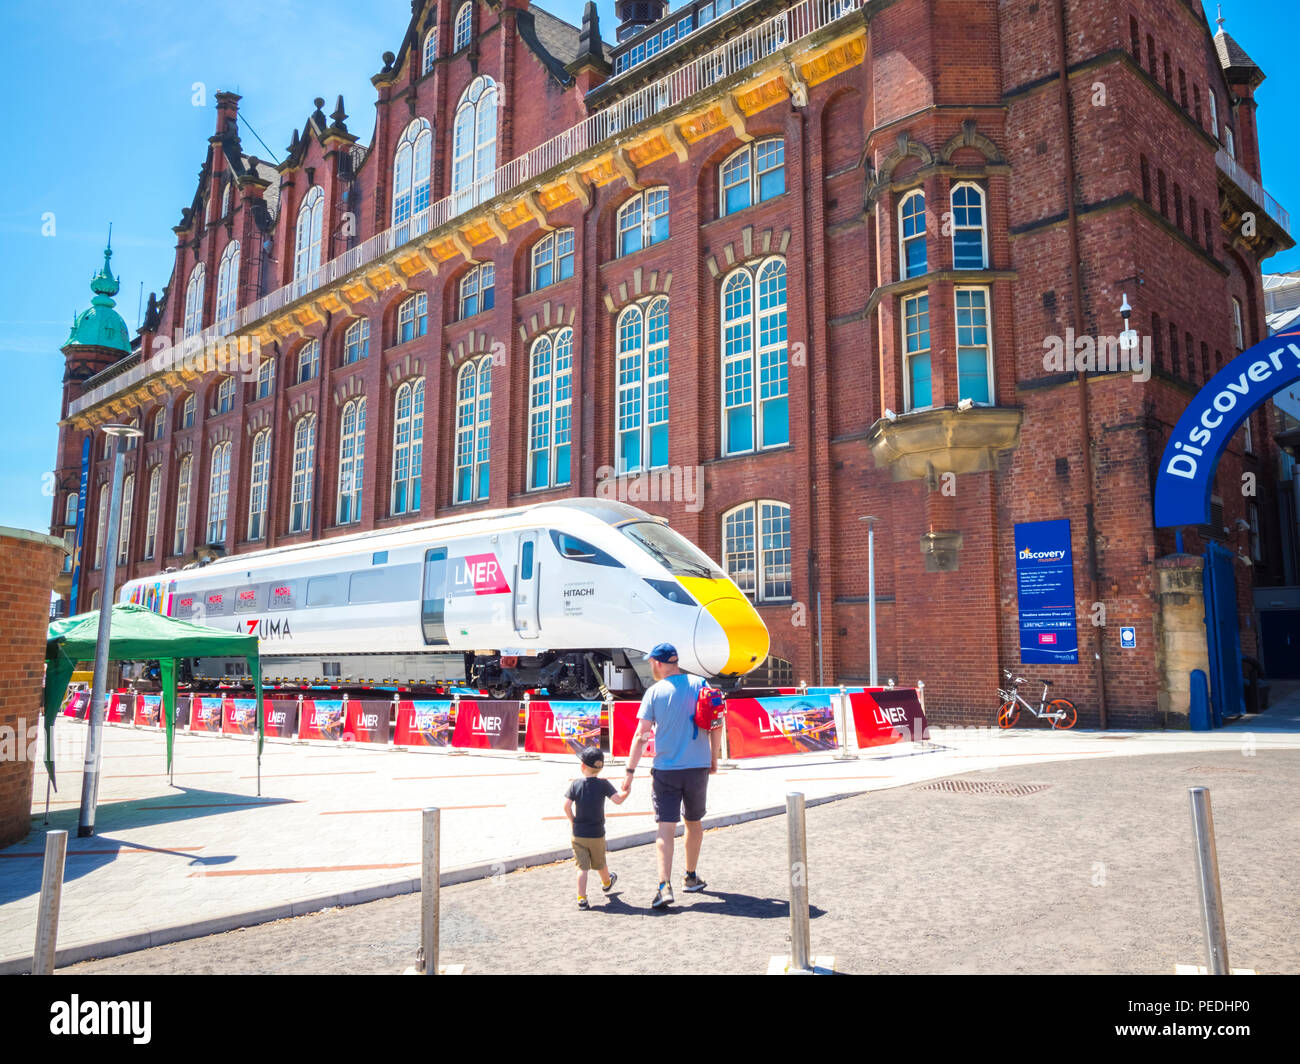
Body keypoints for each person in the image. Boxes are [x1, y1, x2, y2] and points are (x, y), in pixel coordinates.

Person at [624, 643, 720, 908]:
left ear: (658, 663)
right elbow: (717, 722)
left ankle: (664, 886)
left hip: (666, 770)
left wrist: (629, 773)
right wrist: (714, 758)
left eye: (651, 662)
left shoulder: (654, 693)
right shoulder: (702, 684)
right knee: (693, 822)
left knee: (665, 827)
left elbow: (641, 736)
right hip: (698, 767)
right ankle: (690, 877)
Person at [563, 745, 631, 909]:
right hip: (597, 833)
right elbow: (618, 800)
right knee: (600, 862)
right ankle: (607, 882)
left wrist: (573, 821)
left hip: (578, 834)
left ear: (582, 766)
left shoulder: (575, 785)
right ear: (600, 768)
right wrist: (626, 790)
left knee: (582, 868)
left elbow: (566, 806)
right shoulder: (603, 784)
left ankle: (581, 898)